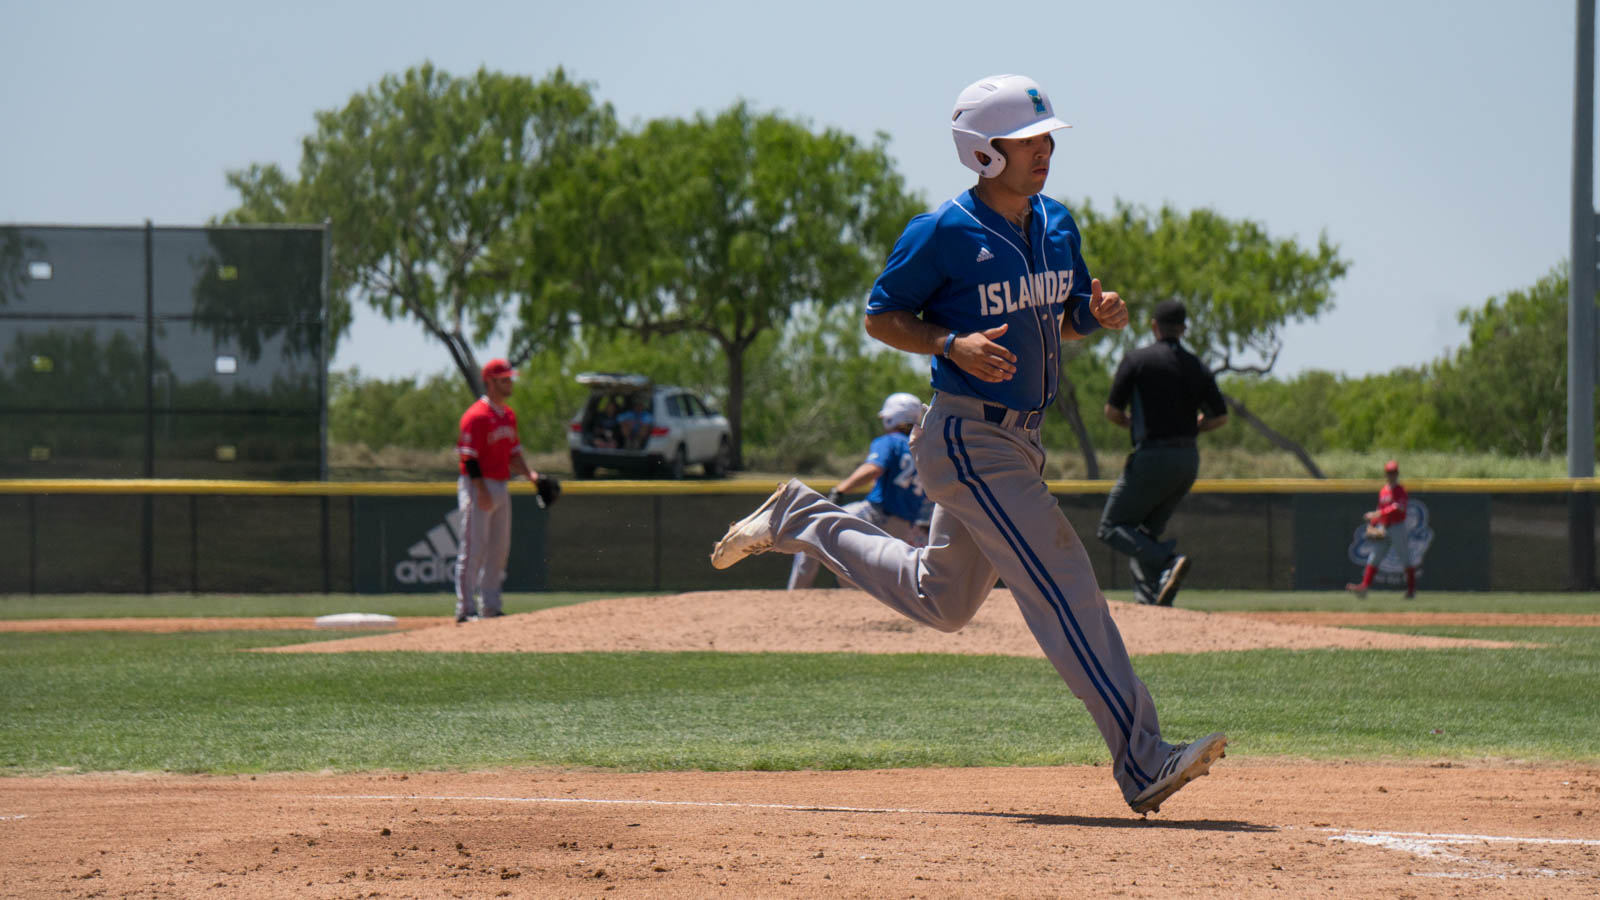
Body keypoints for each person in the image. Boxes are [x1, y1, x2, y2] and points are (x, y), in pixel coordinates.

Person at [709, 74, 1226, 816]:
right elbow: (881, 317)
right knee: (1065, 579)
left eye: (1046, 138)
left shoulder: (1057, 224)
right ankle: (1143, 760)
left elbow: (1064, 318)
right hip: (965, 435)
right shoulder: (943, 231)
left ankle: (803, 518)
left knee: (943, 599)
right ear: (984, 153)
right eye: (1027, 141)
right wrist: (949, 339)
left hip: (1019, 443)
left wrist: (1097, 315)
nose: (1044, 150)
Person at [1097, 299, 1229, 607]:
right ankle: (1153, 600)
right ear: (1183, 329)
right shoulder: (1197, 366)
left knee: (1111, 527)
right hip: (1187, 461)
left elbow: (1112, 411)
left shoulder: (1137, 360)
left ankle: (1169, 561)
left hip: (1152, 457)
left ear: (1154, 326)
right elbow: (1220, 418)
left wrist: (1129, 422)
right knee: (1144, 533)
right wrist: (1195, 425)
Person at [788, 392, 927, 590]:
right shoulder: (923, 448)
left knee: (811, 527)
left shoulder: (890, 441)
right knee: (856, 568)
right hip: (902, 529)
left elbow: (873, 469)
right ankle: (853, 605)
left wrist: (840, 488)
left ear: (892, 417)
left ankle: (795, 594)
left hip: (877, 515)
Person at [454, 358, 546, 623]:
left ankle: (491, 607)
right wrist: (481, 491)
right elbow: (468, 458)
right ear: (490, 382)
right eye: (504, 379)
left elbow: (514, 453)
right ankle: (465, 609)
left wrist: (531, 476)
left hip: (501, 484)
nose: (510, 383)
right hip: (477, 484)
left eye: (509, 378)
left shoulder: (508, 415)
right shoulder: (476, 416)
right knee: (473, 549)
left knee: (499, 549)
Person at [1347, 459, 1417, 598]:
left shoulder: (1400, 490)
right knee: (1374, 558)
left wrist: (1377, 514)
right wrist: (1373, 523)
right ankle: (1364, 588)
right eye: (1389, 472)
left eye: (1394, 472)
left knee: (1405, 559)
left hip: (1397, 527)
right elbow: (1380, 509)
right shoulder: (1384, 491)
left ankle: (1411, 591)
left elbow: (1398, 507)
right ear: (1386, 474)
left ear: (1397, 473)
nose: (1391, 475)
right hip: (1384, 527)